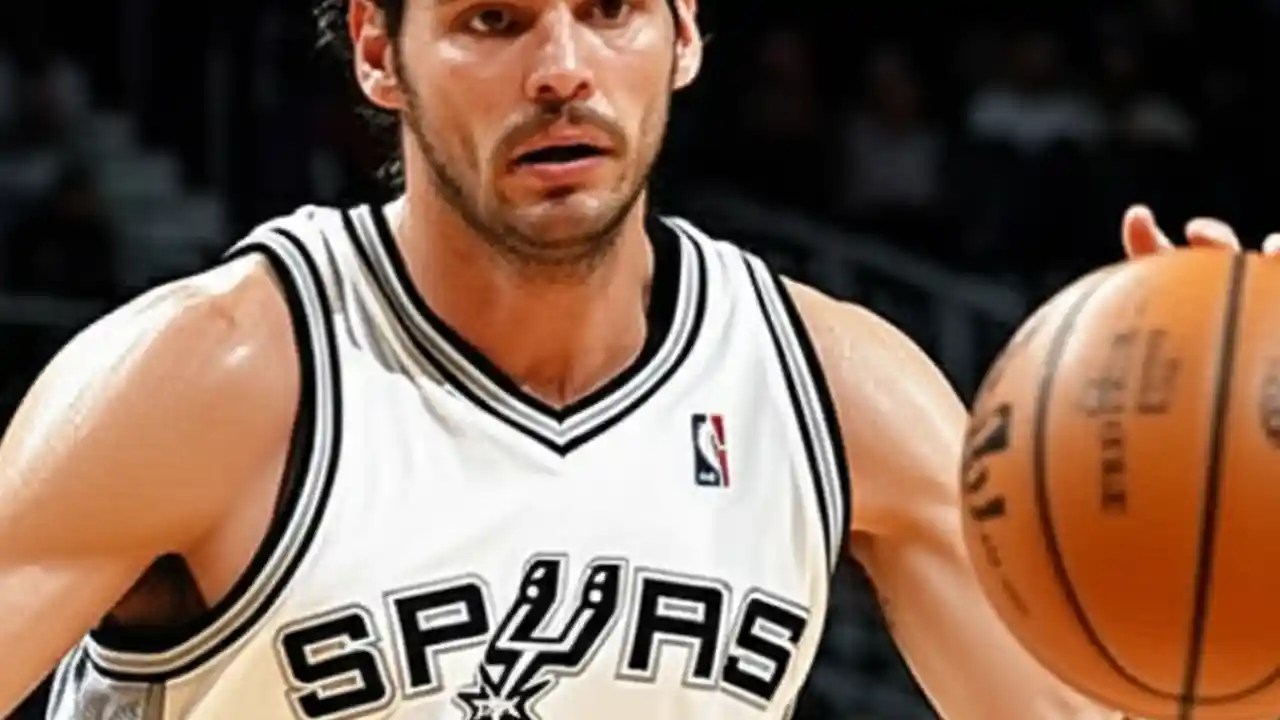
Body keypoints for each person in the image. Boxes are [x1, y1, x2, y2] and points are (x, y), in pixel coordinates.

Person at [0, 1, 1268, 718]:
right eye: (493, 20)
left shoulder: (833, 391)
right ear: (380, 55)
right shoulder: (211, 376)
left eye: (606, 12)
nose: (561, 71)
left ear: (684, 36)